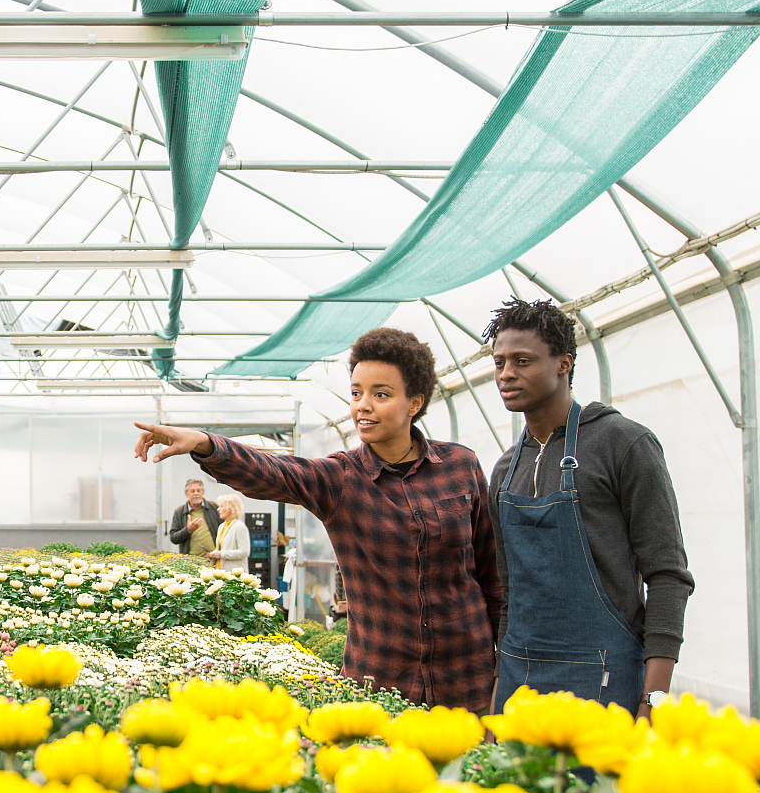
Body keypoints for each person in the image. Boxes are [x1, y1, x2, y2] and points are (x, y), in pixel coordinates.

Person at [134, 328, 504, 710]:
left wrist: (502, 668)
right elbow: (272, 471)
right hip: (380, 684)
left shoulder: (461, 466)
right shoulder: (341, 478)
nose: (363, 405)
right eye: (357, 392)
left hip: (466, 679)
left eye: (381, 394)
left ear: (415, 403)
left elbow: (493, 574)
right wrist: (207, 444)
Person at [486, 297, 693, 720]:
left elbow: (668, 576)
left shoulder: (623, 444)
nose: (506, 374)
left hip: (605, 682)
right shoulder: (506, 469)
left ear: (563, 363)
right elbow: (509, 595)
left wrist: (653, 700)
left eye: (522, 361)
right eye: (499, 362)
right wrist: (496, 699)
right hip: (519, 683)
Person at [167, 478, 220, 558]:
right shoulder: (179, 512)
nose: (196, 493)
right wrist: (188, 530)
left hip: (214, 559)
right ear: (186, 494)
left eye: (199, 490)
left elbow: (224, 531)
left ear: (203, 492)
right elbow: (174, 538)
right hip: (191, 562)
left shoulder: (214, 507)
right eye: (192, 491)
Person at [210, 498, 249, 572]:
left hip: (233, 573)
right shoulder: (221, 526)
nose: (218, 509)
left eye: (221, 506)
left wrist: (222, 554)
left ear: (231, 509)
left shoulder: (240, 527)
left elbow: (244, 552)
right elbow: (221, 548)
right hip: (219, 571)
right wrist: (213, 554)